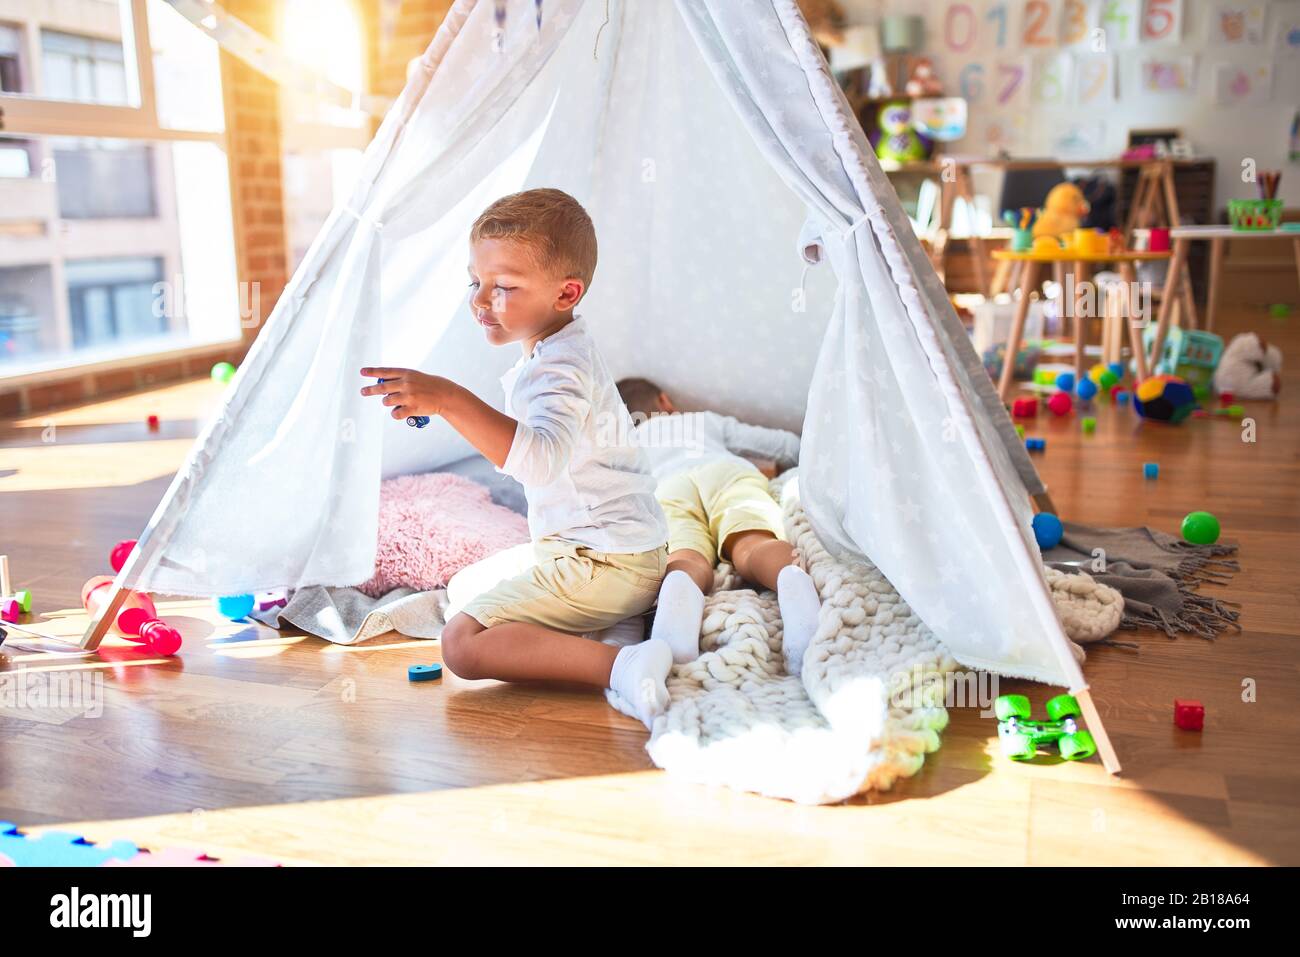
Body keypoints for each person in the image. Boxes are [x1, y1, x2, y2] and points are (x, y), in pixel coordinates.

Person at [360, 189, 673, 725]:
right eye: (474, 282)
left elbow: (539, 461)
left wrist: (448, 399)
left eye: (502, 287)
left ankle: (623, 664)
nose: (481, 301)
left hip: (606, 561)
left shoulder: (558, 370)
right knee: (468, 584)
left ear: (565, 292)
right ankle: (616, 628)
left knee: (461, 642)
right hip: (617, 552)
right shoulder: (560, 349)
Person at [616, 378, 821, 676]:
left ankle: (679, 588)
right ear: (665, 402)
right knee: (753, 544)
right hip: (726, 472)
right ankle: (790, 579)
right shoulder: (701, 421)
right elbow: (786, 445)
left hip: (666, 488)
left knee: (685, 556)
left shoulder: (626, 448)